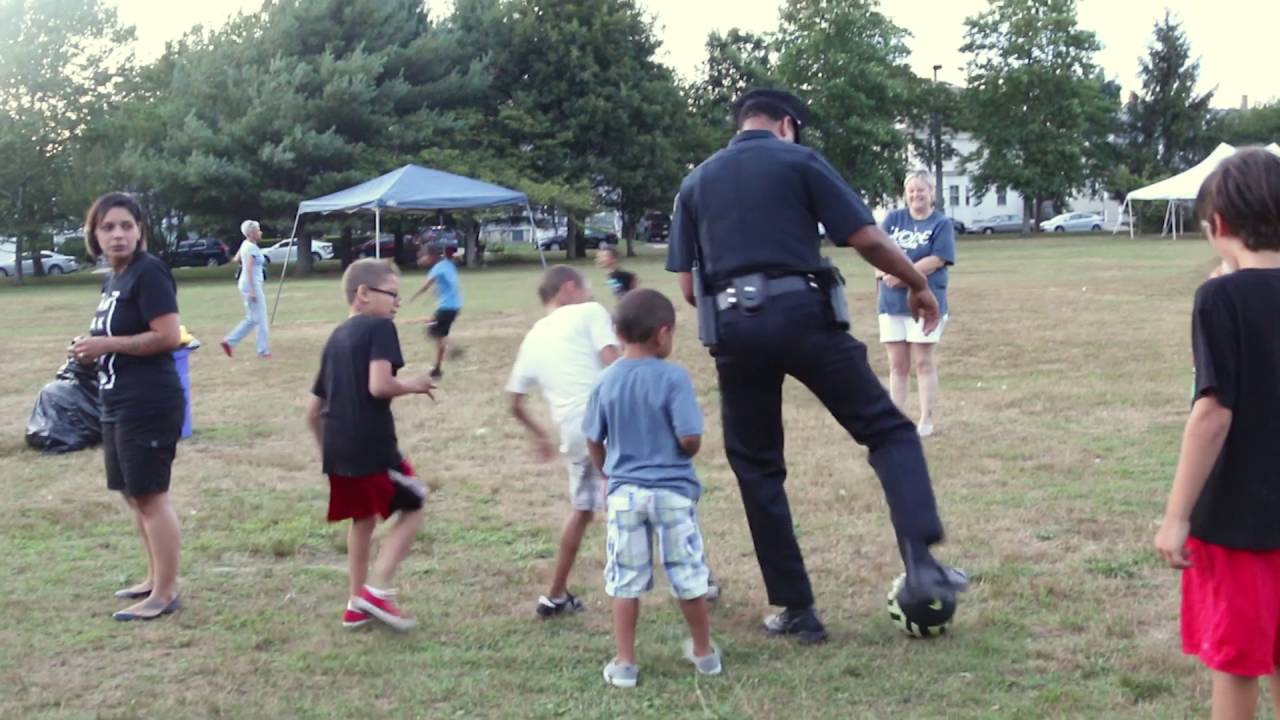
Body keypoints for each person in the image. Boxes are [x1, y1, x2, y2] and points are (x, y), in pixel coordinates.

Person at [667, 88, 967, 644]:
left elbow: (687, 286)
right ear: (786, 125)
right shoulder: (799, 160)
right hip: (804, 314)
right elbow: (866, 238)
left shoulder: (695, 183)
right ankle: (921, 561)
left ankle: (797, 611)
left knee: (758, 468)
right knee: (888, 431)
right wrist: (918, 283)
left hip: (734, 329)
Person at [1154, 148, 1280, 720]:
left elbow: (1213, 414)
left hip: (1237, 524)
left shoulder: (1219, 298)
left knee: (1237, 665)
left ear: (1218, 225)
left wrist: (1176, 516)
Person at [584, 288, 721, 688]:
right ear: (663, 333)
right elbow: (690, 438)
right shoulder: (674, 377)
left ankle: (625, 662)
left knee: (624, 579)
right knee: (688, 575)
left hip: (625, 494)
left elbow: (593, 438)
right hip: (672, 493)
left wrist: (606, 472)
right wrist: (686, 446)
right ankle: (704, 654)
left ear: (618, 333)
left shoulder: (605, 380)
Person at [72, 192, 185, 622]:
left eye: (126, 226)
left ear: (140, 232)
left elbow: (168, 336)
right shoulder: (114, 279)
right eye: (107, 227)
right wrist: (88, 348)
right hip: (116, 399)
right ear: (94, 235)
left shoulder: (149, 272)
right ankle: (153, 578)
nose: (117, 234)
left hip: (149, 401)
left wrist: (106, 344)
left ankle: (165, 594)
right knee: (133, 494)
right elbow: (115, 336)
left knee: (151, 496)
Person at [306, 259, 435, 631]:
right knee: (415, 503)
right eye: (392, 294)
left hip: (339, 450)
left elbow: (312, 412)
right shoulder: (380, 327)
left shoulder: (336, 337)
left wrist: (329, 455)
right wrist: (414, 384)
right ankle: (376, 591)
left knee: (362, 520)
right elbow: (379, 385)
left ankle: (355, 604)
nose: (398, 303)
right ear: (363, 294)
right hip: (372, 448)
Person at [507, 266, 620, 618]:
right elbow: (615, 364)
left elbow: (514, 402)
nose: (590, 295)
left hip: (574, 434)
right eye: (586, 289)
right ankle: (695, 581)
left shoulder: (533, 336)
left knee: (583, 509)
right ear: (569, 288)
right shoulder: (590, 312)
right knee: (649, 498)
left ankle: (555, 594)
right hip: (608, 423)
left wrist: (540, 435)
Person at [877, 171, 957, 437]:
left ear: (931, 192)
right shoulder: (893, 219)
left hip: (925, 304)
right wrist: (886, 273)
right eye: (911, 190)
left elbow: (937, 259)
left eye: (921, 190)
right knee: (897, 364)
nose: (915, 195)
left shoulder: (941, 223)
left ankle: (925, 419)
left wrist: (903, 274)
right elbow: (877, 252)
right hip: (891, 304)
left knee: (923, 362)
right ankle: (896, 421)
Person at [409, 242, 463, 379]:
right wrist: (433, 295)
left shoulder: (437, 268)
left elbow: (426, 286)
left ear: (431, 256)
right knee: (440, 336)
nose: (423, 258)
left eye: (424, 255)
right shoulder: (448, 264)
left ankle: (453, 348)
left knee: (432, 332)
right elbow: (445, 285)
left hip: (446, 307)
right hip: (455, 306)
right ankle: (437, 369)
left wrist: (413, 297)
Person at [220, 220, 270, 359]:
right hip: (251, 284)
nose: (260, 232)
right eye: (258, 230)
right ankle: (262, 350)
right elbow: (248, 268)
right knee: (260, 318)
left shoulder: (246, 245)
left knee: (254, 318)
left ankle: (230, 342)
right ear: (252, 233)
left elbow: (236, 259)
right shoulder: (251, 248)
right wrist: (253, 290)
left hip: (247, 284)